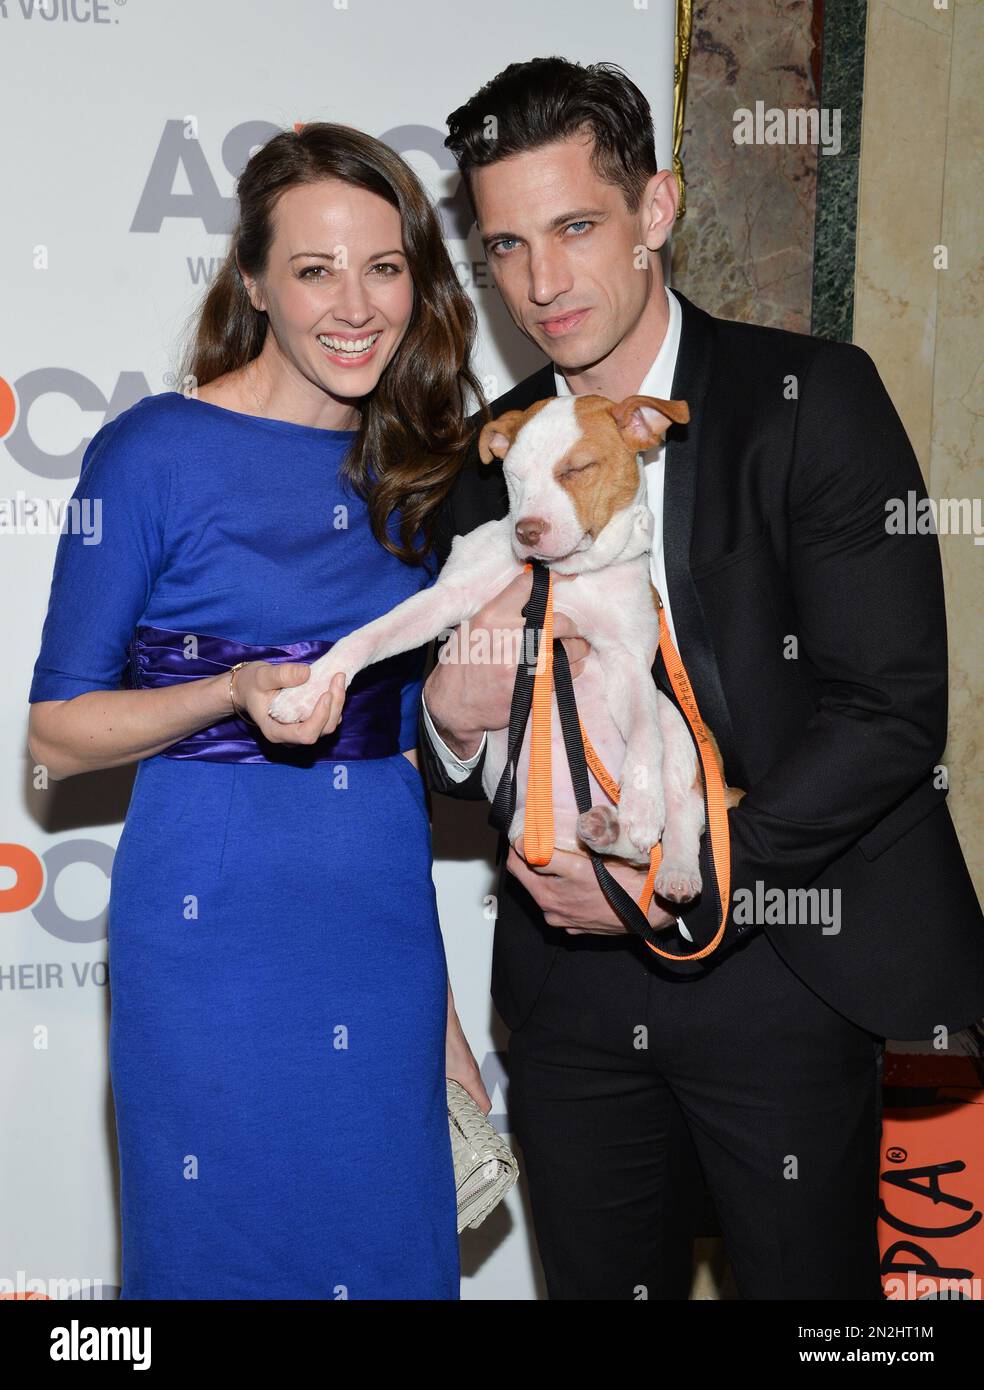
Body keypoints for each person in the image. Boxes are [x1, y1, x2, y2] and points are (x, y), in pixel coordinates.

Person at [417, 57, 984, 1300]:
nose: (542, 284)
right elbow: (458, 770)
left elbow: (890, 713)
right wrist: (448, 724)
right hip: (569, 998)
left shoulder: (811, 399)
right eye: (506, 246)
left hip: (780, 963)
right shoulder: (497, 452)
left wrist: (672, 873)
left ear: (657, 209)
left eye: (575, 227)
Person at [26, 122, 489, 1301]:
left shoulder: (424, 476)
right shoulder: (153, 453)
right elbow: (57, 730)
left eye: (385, 267)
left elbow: (389, 766)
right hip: (211, 930)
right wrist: (228, 691)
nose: (356, 304)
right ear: (254, 284)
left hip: (377, 936)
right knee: (216, 1256)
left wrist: (440, 1025)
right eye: (315, 269)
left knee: (390, 1256)